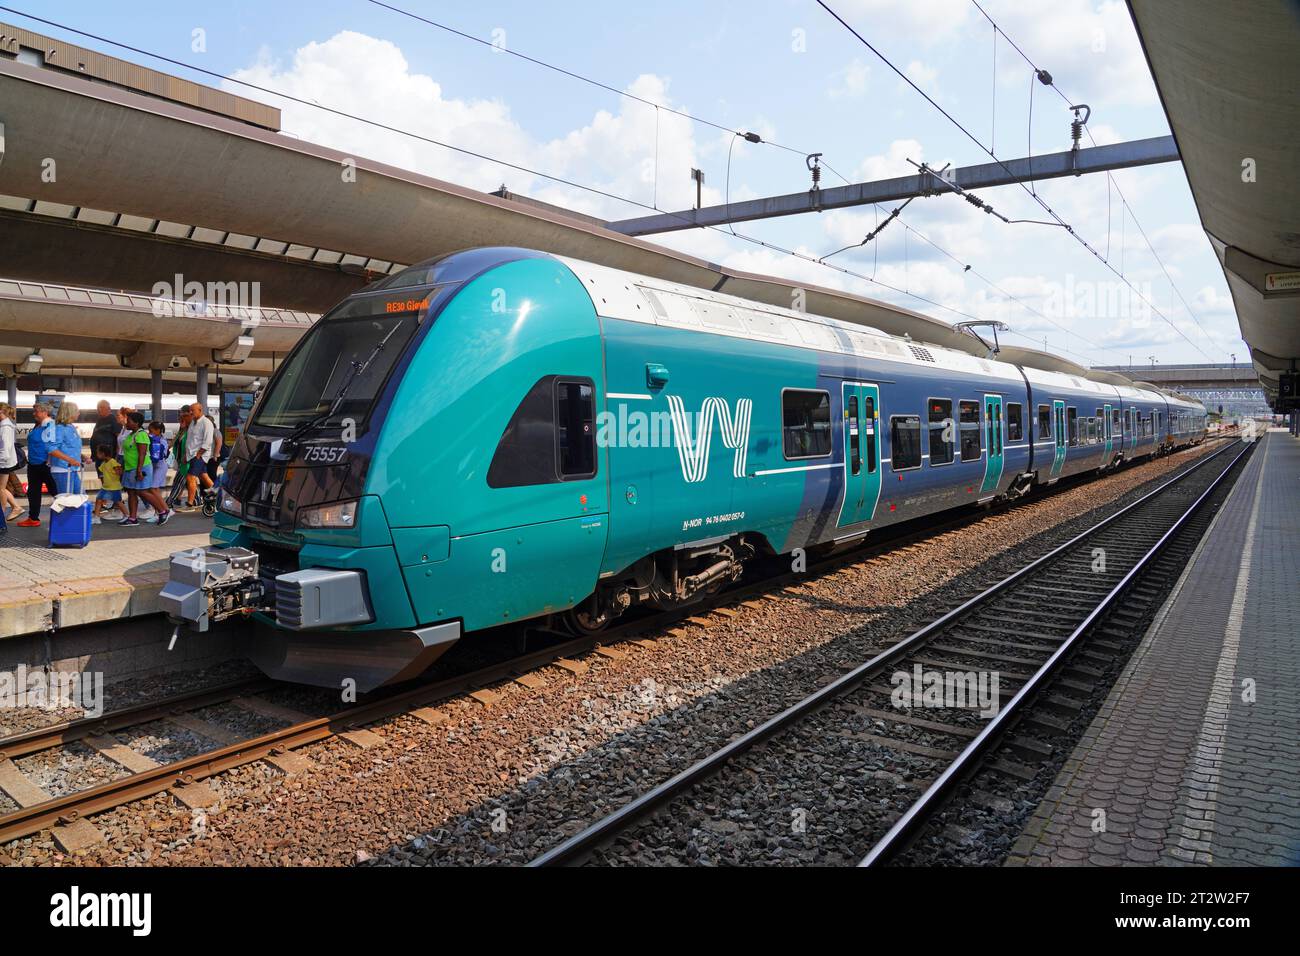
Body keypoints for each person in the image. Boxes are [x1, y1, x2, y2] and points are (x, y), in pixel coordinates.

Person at [119, 411, 171, 527]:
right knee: (131, 492)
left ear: (136, 423)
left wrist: (139, 470)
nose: (126, 423)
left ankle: (162, 511)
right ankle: (133, 518)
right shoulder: (131, 434)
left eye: (129, 421)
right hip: (130, 468)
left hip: (140, 468)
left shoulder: (141, 435)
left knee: (142, 491)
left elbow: (142, 454)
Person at [15, 402, 58, 527]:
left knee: (54, 491)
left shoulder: (50, 425)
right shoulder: (38, 425)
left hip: (44, 465)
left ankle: (68, 514)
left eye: (36, 411)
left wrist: (49, 461)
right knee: (33, 492)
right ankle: (33, 518)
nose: (34, 414)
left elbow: (53, 444)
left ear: (45, 412)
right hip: (34, 464)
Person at [48, 401, 87, 495]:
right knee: (67, 499)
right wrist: (70, 460)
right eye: (77, 411)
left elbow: (69, 447)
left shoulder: (71, 427)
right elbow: (51, 449)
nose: (79, 413)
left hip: (71, 469)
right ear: (70, 412)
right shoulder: (59, 428)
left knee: (81, 497)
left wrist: (81, 456)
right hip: (62, 469)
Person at [185, 402, 216, 506]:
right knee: (203, 476)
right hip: (192, 454)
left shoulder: (206, 423)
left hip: (199, 455)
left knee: (190, 477)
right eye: (190, 410)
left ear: (200, 410)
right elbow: (190, 440)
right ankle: (217, 493)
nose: (190, 412)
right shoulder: (193, 423)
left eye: (192, 410)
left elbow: (208, 441)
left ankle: (190, 502)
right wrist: (186, 455)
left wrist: (199, 454)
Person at [91, 444, 127, 524]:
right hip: (106, 487)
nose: (97, 455)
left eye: (98, 453)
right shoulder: (104, 463)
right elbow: (102, 472)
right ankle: (96, 517)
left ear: (103, 453)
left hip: (114, 487)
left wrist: (118, 470)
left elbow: (119, 472)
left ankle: (126, 515)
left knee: (118, 502)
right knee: (99, 499)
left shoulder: (112, 462)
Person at [0, 403, 22, 525]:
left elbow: (5, 449)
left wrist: (1, 461)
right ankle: (15, 507)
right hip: (5, 462)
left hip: (3, 463)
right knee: (1, 488)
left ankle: (1, 516)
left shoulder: (5, 428)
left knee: (1, 489)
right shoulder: (5, 426)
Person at [148, 420, 170, 492]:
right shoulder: (153, 439)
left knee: (153, 487)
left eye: (151, 431)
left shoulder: (161, 441)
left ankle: (159, 499)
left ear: (158, 430)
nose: (149, 433)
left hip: (160, 466)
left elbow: (159, 455)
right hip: (153, 465)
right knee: (155, 487)